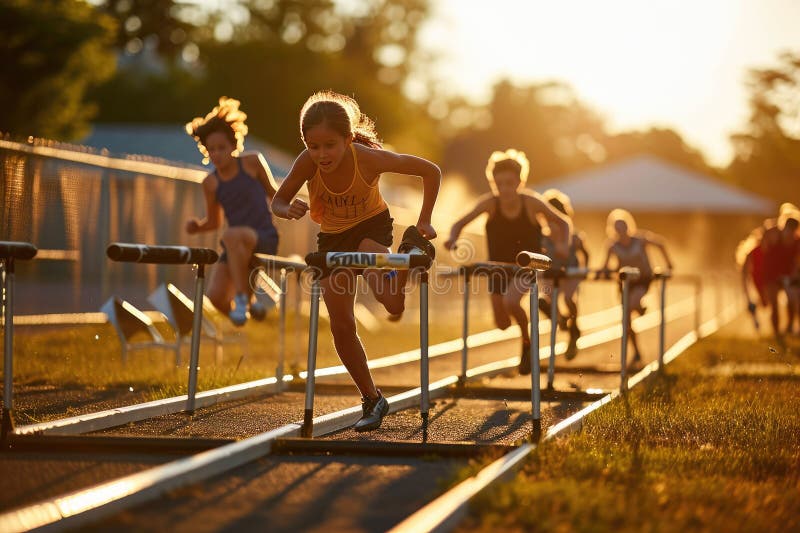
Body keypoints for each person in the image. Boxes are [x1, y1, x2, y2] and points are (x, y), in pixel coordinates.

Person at [271, 91, 440, 432]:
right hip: (333, 239)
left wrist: (424, 219)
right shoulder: (307, 162)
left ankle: (410, 247)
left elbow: (430, 171)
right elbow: (278, 200)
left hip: (370, 229)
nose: (321, 155)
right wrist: (287, 210)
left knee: (392, 304)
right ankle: (372, 398)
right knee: (342, 325)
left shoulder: (369, 159)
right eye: (313, 146)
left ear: (348, 139)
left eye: (330, 146)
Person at [444, 150, 571, 375]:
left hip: (527, 267)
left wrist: (562, 245)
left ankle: (527, 342)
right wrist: (453, 238)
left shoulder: (531, 203)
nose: (504, 189)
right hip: (498, 270)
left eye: (509, 183)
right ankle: (528, 334)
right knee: (502, 324)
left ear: (520, 182)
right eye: (499, 184)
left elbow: (563, 223)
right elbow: (459, 223)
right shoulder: (490, 204)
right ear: (493, 183)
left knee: (511, 302)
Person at [185, 97, 280, 327]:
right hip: (235, 244)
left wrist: (291, 206)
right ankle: (248, 308)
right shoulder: (210, 183)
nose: (216, 154)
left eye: (221, 148)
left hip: (263, 236)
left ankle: (242, 298)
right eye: (211, 149)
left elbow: (274, 195)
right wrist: (197, 226)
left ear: (234, 145)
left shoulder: (252, 162)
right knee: (215, 297)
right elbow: (214, 222)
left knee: (230, 235)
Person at [600, 209, 673, 365]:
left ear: (628, 226)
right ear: (613, 230)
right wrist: (604, 272)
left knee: (632, 303)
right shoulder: (612, 246)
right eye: (618, 228)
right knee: (626, 321)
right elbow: (604, 266)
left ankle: (639, 307)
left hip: (642, 280)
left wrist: (668, 263)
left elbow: (660, 244)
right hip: (625, 283)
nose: (621, 231)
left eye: (623, 227)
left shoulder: (641, 239)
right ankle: (637, 351)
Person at [540, 189, 589, 359]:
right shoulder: (543, 237)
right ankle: (561, 319)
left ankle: (574, 326)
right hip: (552, 273)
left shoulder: (573, 236)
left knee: (568, 299)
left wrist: (584, 271)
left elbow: (585, 254)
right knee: (544, 300)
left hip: (570, 273)